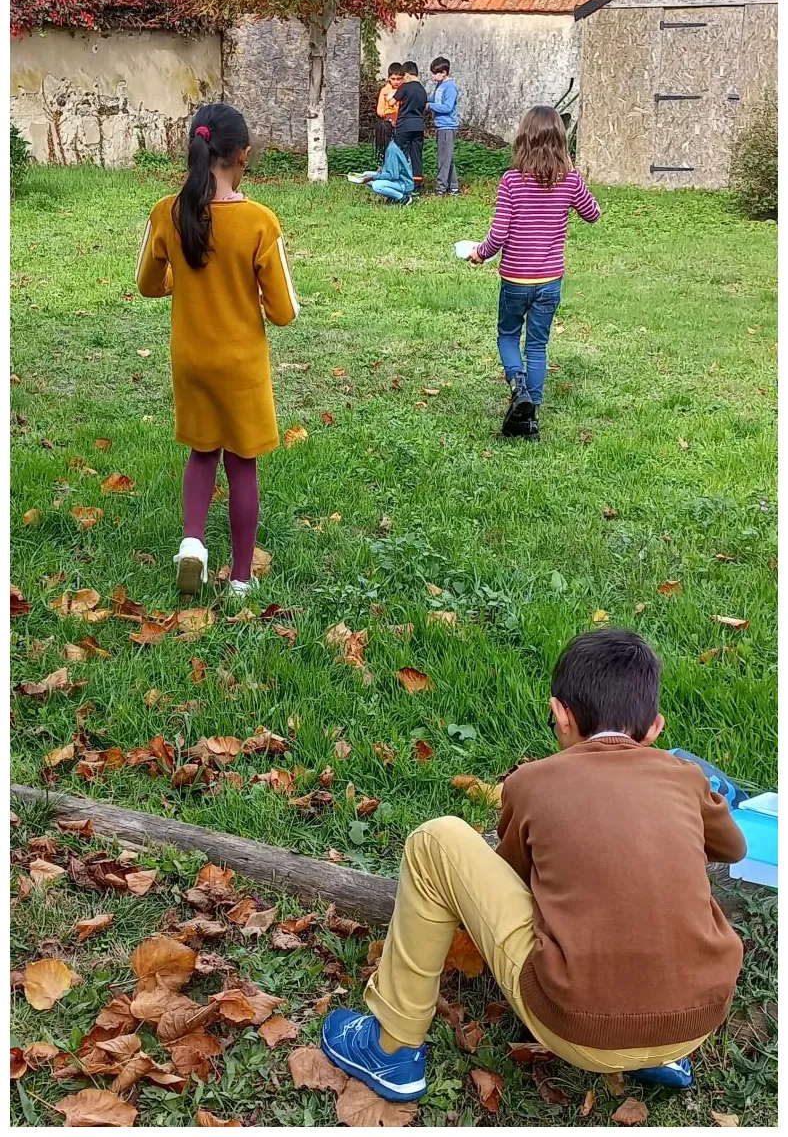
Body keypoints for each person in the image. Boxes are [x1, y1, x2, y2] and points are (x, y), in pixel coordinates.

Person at [321, 628, 746, 1103]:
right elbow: (733, 849)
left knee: (435, 839)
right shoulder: (685, 777)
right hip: (697, 1020)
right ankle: (657, 1054)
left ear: (560, 714)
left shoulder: (532, 782)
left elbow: (515, 877)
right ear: (654, 730)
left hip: (578, 1026)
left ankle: (390, 1046)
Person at [136, 103, 299, 599]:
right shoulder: (259, 222)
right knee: (242, 463)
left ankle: (192, 546)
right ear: (242, 156)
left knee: (201, 453)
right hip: (241, 367)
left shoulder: (167, 212)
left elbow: (147, 283)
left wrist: (184, 283)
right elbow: (284, 311)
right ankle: (242, 580)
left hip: (190, 361)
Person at [469, 106, 600, 440]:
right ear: (560, 141)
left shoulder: (512, 181)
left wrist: (479, 253)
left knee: (508, 336)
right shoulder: (569, 180)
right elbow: (593, 214)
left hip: (515, 279)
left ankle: (518, 387)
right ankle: (531, 418)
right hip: (549, 282)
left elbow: (498, 234)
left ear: (523, 139)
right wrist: (574, 173)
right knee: (538, 346)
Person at [428, 56, 460, 197]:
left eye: (436, 73)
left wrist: (429, 106)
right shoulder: (439, 85)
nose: (433, 76)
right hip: (440, 126)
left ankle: (440, 189)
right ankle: (453, 188)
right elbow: (433, 98)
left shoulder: (450, 87)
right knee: (447, 158)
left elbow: (447, 107)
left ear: (444, 72)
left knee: (443, 159)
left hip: (447, 126)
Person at [393, 61, 427, 193]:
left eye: (402, 76)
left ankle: (401, 180)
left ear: (407, 74)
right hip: (418, 126)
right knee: (416, 155)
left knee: (400, 153)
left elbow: (392, 101)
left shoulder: (405, 87)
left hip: (404, 126)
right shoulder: (422, 90)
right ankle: (417, 183)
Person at [362, 121, 414, 206]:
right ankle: (393, 196)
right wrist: (382, 168)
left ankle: (403, 198)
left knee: (377, 185)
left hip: (403, 183)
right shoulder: (390, 146)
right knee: (364, 175)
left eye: (376, 136)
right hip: (398, 180)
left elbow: (393, 175)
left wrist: (374, 177)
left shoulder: (391, 149)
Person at [375, 62, 403, 161]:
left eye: (399, 79)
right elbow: (380, 109)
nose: (396, 82)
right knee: (388, 147)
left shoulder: (405, 89)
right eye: (393, 79)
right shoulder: (384, 91)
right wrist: (389, 116)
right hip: (388, 122)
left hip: (401, 121)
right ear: (388, 78)